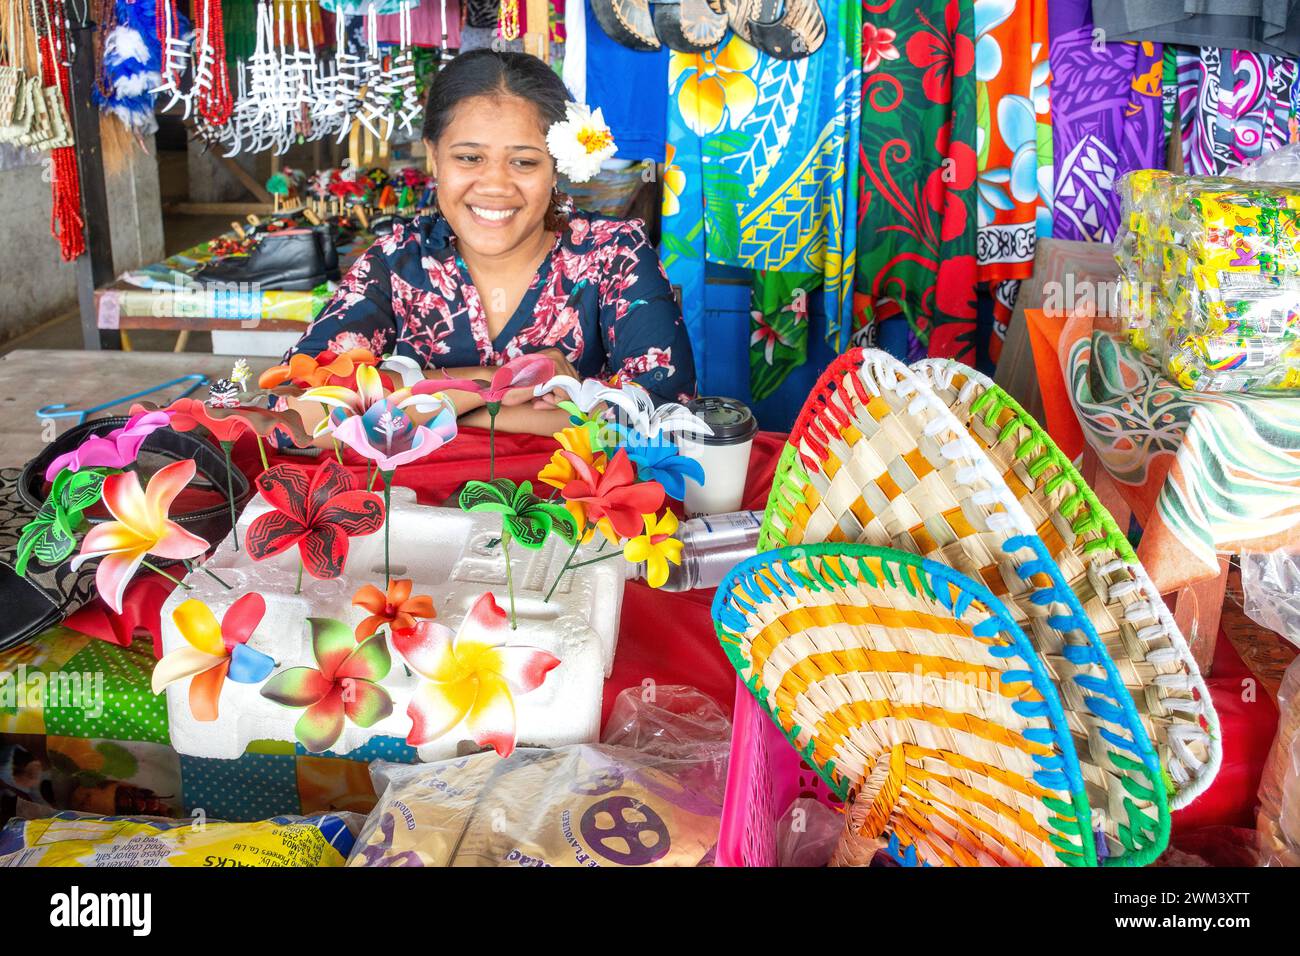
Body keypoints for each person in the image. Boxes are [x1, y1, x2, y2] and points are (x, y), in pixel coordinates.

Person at [284, 49, 695, 436]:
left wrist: (423, 407)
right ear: (433, 156)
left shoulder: (615, 254)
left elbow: (664, 418)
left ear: (555, 167)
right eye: (469, 158)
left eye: (524, 162)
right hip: (417, 510)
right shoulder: (395, 262)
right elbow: (297, 411)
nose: (496, 185)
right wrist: (486, 385)